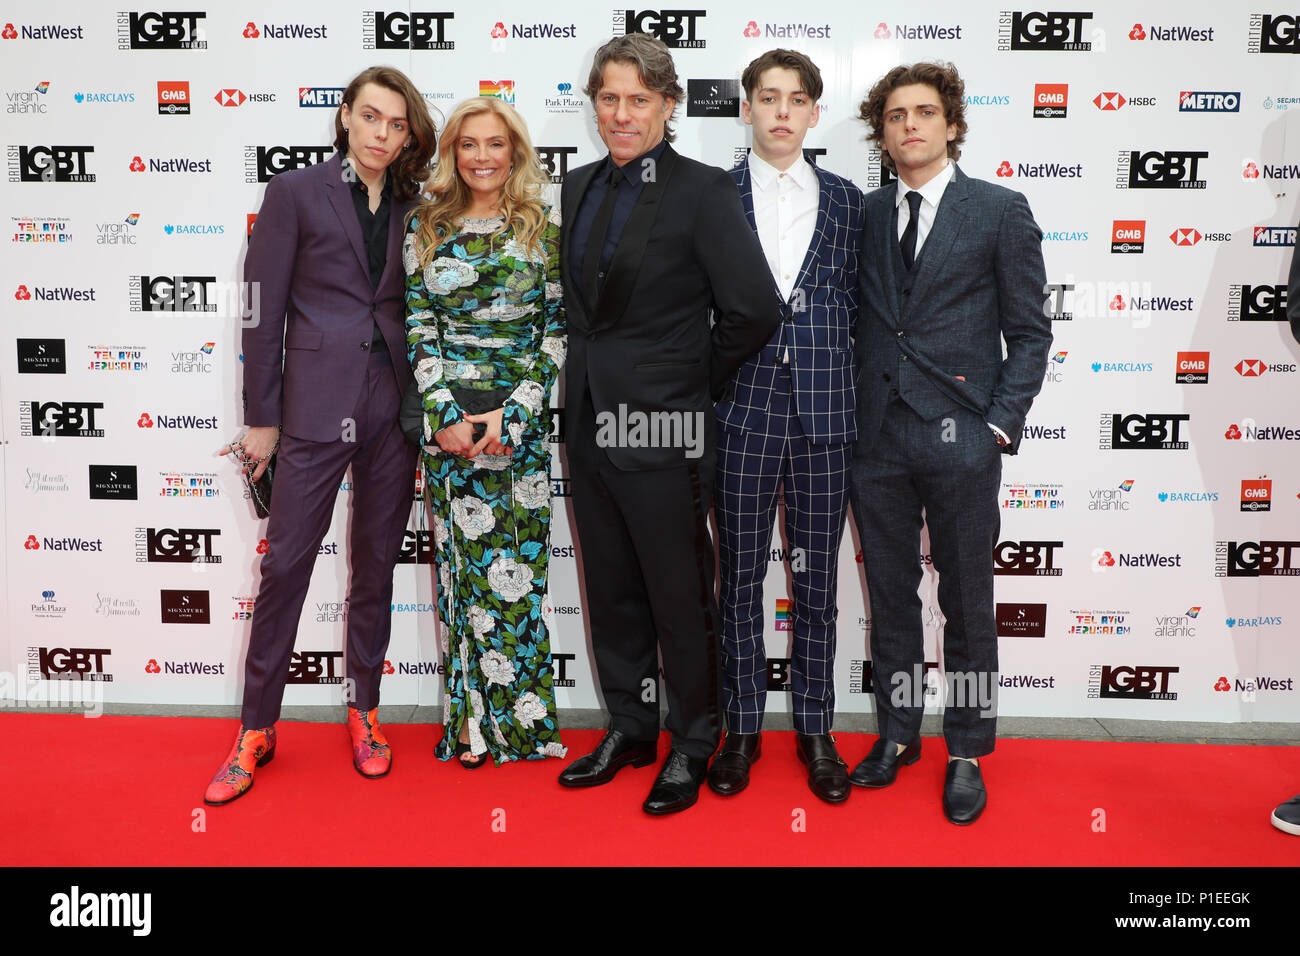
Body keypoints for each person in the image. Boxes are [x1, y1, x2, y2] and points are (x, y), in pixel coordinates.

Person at [555, 33, 779, 815]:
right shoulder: (577, 186)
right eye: (609, 98)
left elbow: (754, 309)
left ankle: (692, 741)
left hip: (665, 427)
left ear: (668, 106)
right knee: (611, 585)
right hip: (585, 418)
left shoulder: (702, 190)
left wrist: (685, 382)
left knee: (679, 593)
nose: (622, 114)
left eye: (639, 100)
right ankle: (629, 725)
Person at [205, 67, 437, 806]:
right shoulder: (295, 192)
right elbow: (259, 311)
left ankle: (365, 711)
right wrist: (262, 419)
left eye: (396, 124)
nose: (381, 134)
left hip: (393, 409)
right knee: (286, 569)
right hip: (310, 408)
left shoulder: (415, 203)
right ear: (344, 117)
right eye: (370, 117)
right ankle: (255, 728)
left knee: (374, 565)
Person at [849, 62, 1051, 824]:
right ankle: (898, 735)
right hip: (875, 439)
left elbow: (1030, 332)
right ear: (882, 131)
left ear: (951, 124)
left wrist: (998, 422)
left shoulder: (998, 209)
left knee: (966, 601)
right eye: (896, 115)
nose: (910, 126)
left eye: (924, 112)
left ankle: (965, 748)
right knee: (892, 599)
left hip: (964, 436)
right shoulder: (863, 214)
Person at [709, 49, 864, 805]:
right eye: (766, 97)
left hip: (826, 412)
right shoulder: (711, 196)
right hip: (740, 408)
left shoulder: (848, 201)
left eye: (795, 99)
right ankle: (741, 730)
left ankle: (815, 730)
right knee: (736, 579)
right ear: (746, 107)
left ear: (811, 112)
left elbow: (867, 315)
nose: (779, 111)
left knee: (819, 584)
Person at [404, 97, 567, 768]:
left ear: (515, 152)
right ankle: (470, 726)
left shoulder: (542, 229)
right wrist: (444, 415)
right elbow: (419, 326)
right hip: (448, 433)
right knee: (463, 583)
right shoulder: (426, 227)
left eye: (494, 144)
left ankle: (526, 730)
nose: (480, 156)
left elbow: (556, 332)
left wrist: (516, 414)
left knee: (518, 584)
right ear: (451, 153)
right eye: (468, 144)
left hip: (519, 431)